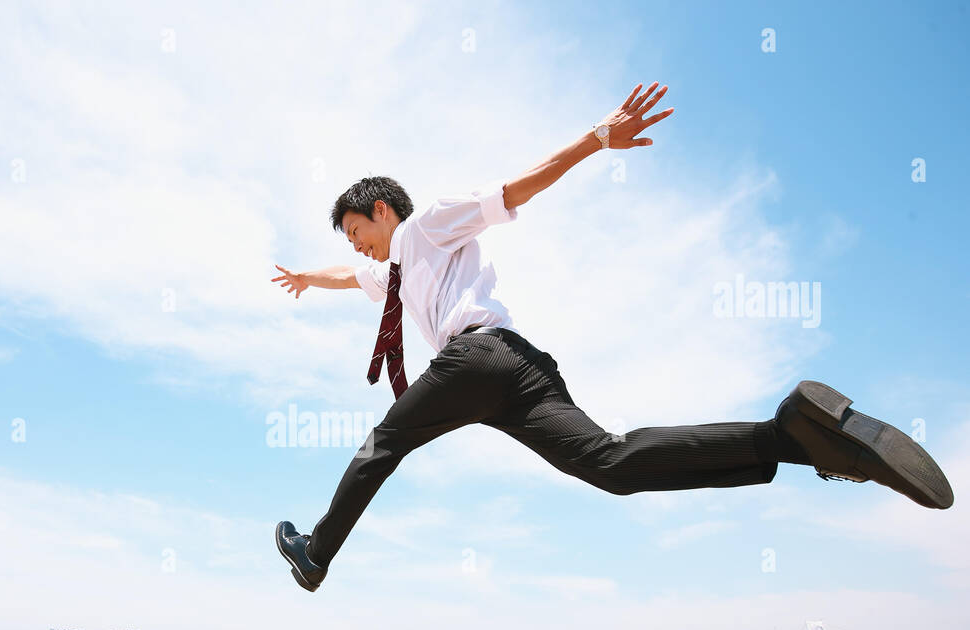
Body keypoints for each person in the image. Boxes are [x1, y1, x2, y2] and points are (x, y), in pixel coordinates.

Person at [271, 83, 954, 593]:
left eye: (358, 231)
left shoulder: (426, 228)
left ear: (381, 210)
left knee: (384, 442)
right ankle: (790, 437)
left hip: (476, 355)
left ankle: (318, 552)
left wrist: (596, 140)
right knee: (611, 466)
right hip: (517, 374)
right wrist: (308, 275)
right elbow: (348, 277)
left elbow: (515, 191)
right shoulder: (394, 273)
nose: (357, 247)